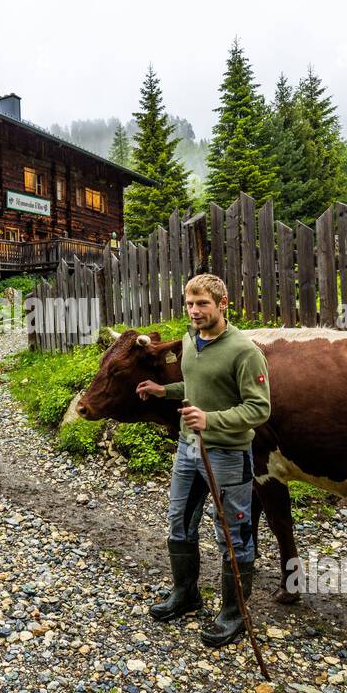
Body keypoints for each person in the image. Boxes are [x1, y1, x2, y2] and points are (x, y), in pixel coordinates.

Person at [135, 274, 271, 647]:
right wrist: (165, 390)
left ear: (222, 303)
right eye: (190, 304)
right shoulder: (190, 342)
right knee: (179, 520)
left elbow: (259, 408)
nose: (194, 311)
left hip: (227, 454)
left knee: (233, 531)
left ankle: (233, 613)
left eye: (202, 305)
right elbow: (196, 387)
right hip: (188, 448)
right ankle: (186, 594)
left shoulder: (244, 351)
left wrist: (211, 420)